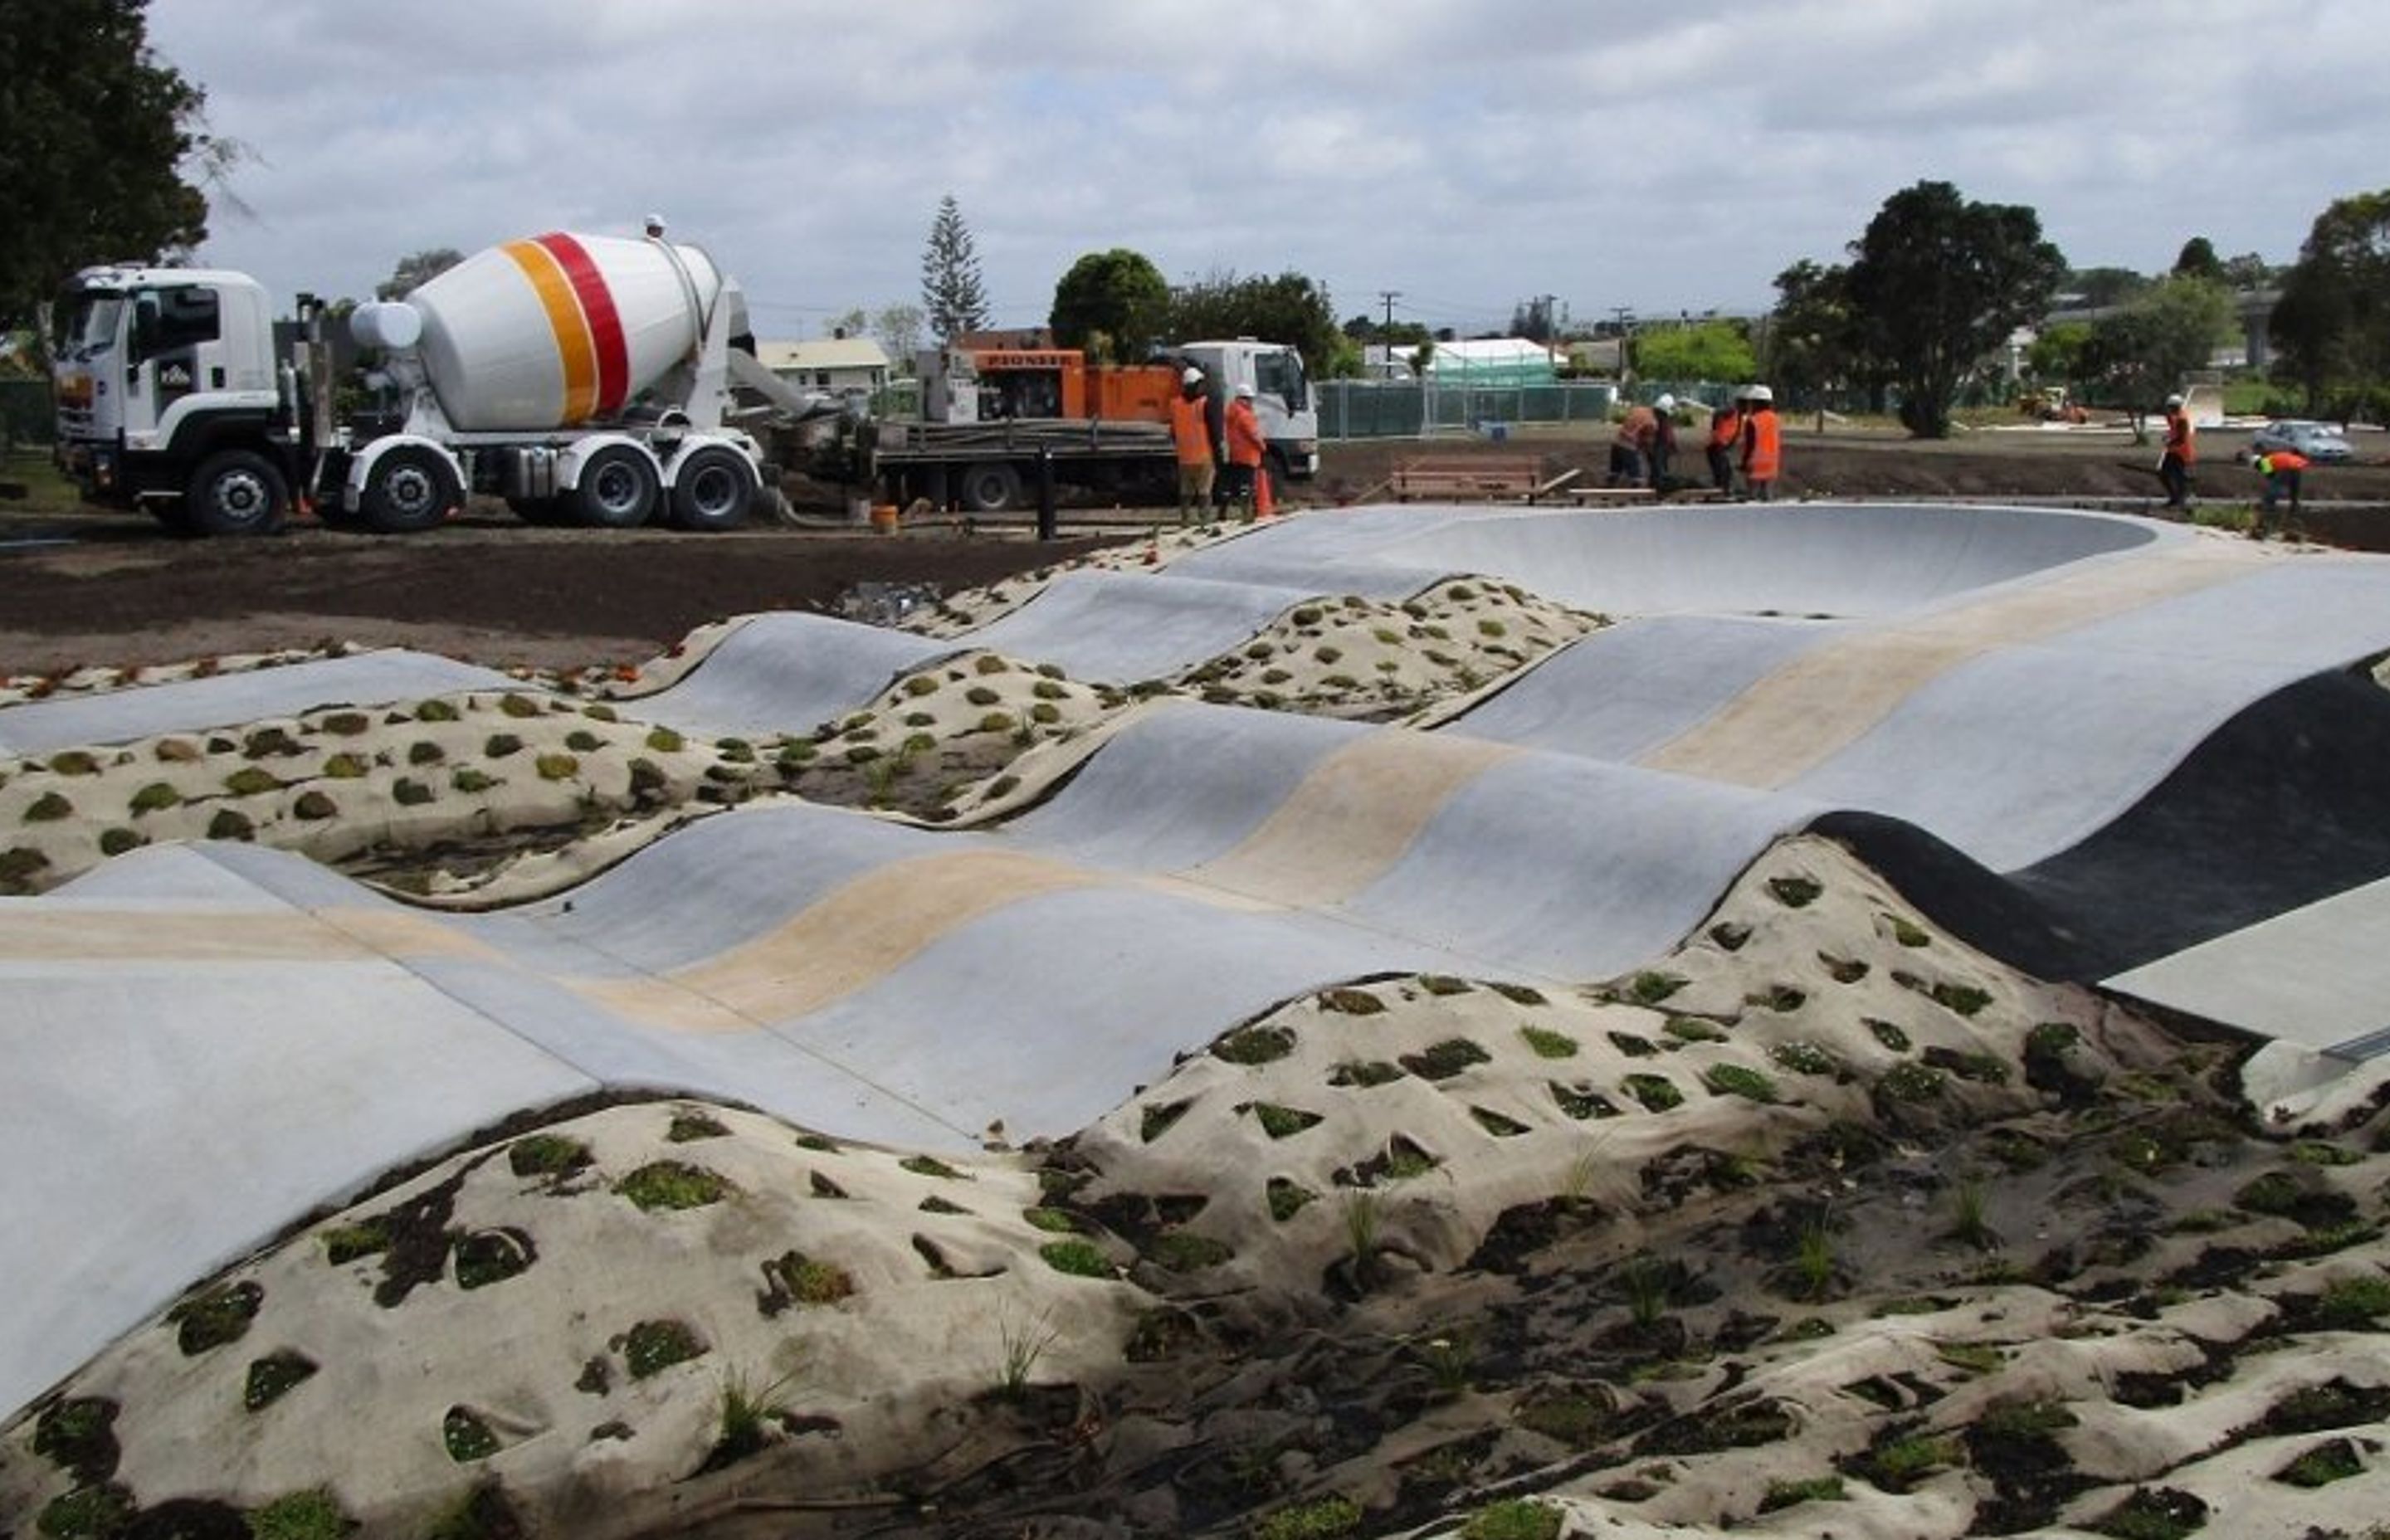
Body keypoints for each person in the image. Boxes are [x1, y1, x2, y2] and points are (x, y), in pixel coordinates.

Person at [1168, 366, 1215, 524]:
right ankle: (1204, 519)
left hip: (1184, 458)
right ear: (1195, 385)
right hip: (1203, 456)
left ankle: (1185, 519)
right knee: (1204, 490)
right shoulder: (1203, 404)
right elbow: (1213, 431)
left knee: (1186, 491)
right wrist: (1218, 452)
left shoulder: (1175, 405)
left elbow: (1173, 433)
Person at [1223, 382, 1267, 521]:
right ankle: (1247, 514)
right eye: (1250, 399)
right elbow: (1254, 435)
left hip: (1235, 454)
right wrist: (1263, 447)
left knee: (1232, 485)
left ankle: (1223, 512)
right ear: (1244, 399)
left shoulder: (1231, 412)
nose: (1251, 402)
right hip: (1249, 455)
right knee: (1247, 487)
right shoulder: (1245, 415)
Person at [2253, 446, 2309, 539]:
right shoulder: (2284, 456)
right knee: (2294, 497)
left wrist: (2272, 494)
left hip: (2285, 469)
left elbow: (2271, 477)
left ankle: (2262, 526)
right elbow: (2293, 486)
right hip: (2296, 468)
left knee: (2269, 499)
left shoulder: (2265, 461)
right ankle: (2294, 524)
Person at [1739, 384, 1781, 501]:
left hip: (1755, 465)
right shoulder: (1775, 419)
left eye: (1751, 402)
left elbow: (1750, 445)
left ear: (1757, 403)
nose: (1749, 405)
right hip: (1771, 464)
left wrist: (1744, 462)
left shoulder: (1752, 421)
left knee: (1752, 499)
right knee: (1767, 498)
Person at [2158, 392, 2196, 510]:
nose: (2169, 409)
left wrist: (2170, 442)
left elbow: (2182, 439)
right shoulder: (2175, 416)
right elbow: (2173, 429)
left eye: (2170, 407)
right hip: (2173, 450)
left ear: (2176, 407)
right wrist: (2168, 437)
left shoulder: (2182, 419)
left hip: (2181, 452)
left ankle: (2180, 500)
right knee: (2163, 474)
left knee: (2178, 477)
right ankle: (2175, 498)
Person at [1609, 400, 1657, 486]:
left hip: (1616, 444)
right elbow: (1647, 441)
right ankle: (1635, 497)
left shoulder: (1638, 410)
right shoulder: (1652, 421)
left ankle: (1607, 492)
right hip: (1629, 447)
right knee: (1637, 479)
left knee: (1614, 473)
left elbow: (1627, 427)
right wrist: (1651, 457)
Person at [1706, 397, 1743, 495]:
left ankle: (1722, 489)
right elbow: (1718, 412)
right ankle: (1721, 490)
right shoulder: (1732, 410)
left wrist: (1729, 446)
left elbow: (1736, 434)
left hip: (1720, 446)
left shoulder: (1738, 415)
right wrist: (1715, 429)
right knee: (1723, 472)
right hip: (1718, 445)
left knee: (1726, 472)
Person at [1649, 393, 1679, 489]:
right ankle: (1659, 484)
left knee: (1659, 465)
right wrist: (1672, 445)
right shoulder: (1662, 418)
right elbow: (1666, 433)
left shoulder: (1659, 415)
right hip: (1660, 444)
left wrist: (1672, 444)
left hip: (1660, 444)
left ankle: (1657, 483)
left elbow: (1667, 432)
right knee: (1659, 465)